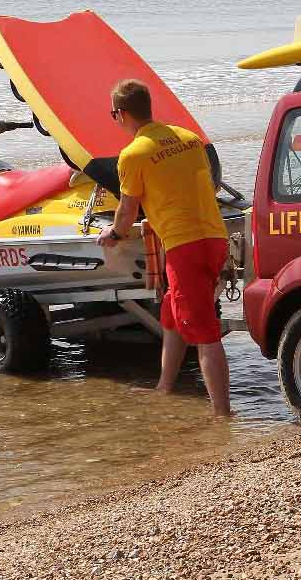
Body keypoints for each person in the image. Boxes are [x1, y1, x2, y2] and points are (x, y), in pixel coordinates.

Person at [96, 79, 231, 416]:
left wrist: (113, 233)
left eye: (114, 115)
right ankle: (165, 387)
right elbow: (198, 188)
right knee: (172, 311)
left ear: (122, 114)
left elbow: (127, 211)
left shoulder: (133, 154)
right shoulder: (189, 139)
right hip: (215, 238)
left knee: (205, 332)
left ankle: (223, 415)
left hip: (185, 246)